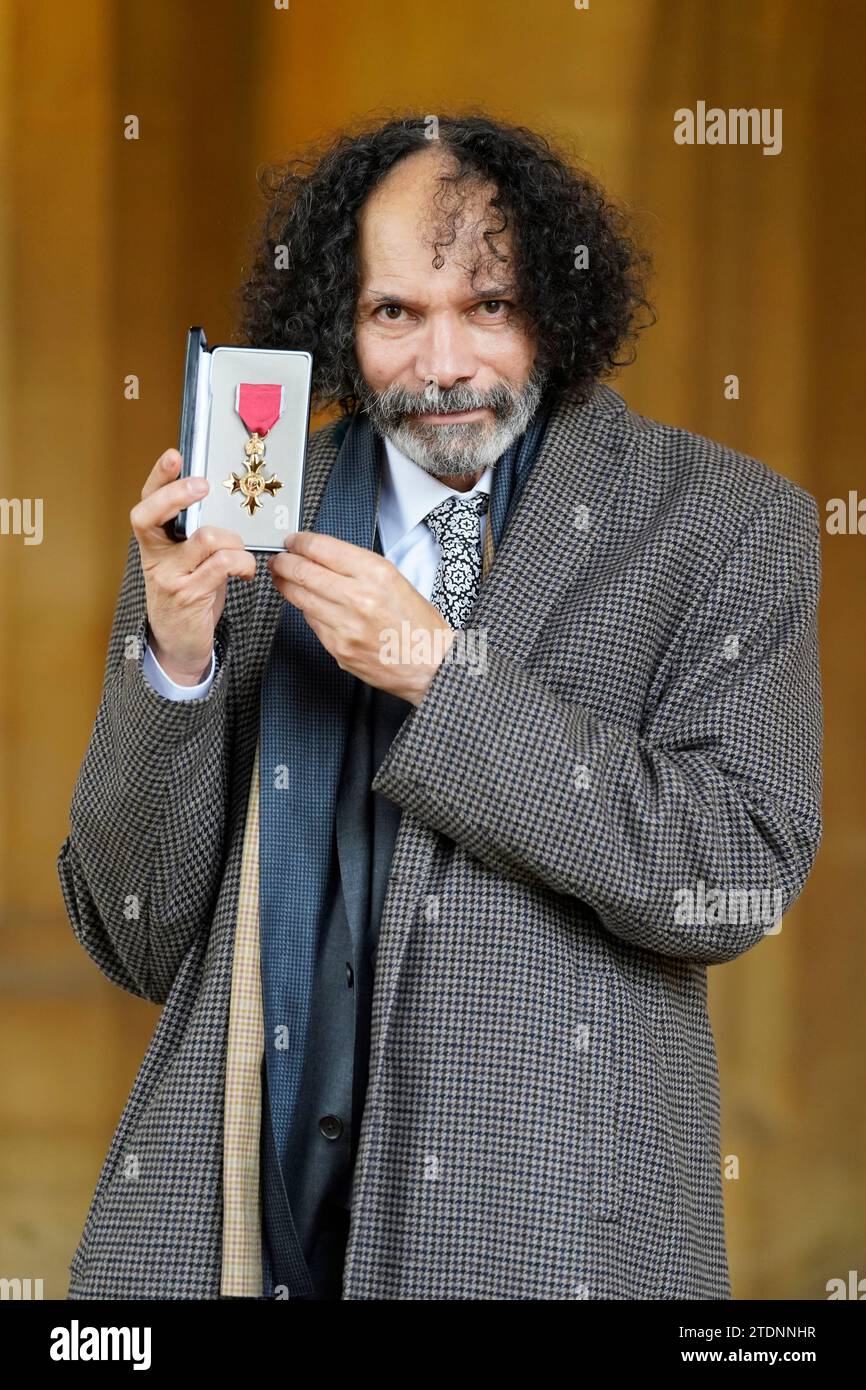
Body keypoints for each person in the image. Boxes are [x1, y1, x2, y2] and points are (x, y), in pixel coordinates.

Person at [58, 113, 823, 1301]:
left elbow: (733, 869)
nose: (444, 362)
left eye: (490, 306)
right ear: (337, 322)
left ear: (555, 315)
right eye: (394, 313)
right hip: (241, 1235)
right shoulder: (230, 518)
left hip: (546, 1233)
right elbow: (137, 934)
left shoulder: (725, 524)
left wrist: (436, 670)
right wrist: (173, 660)